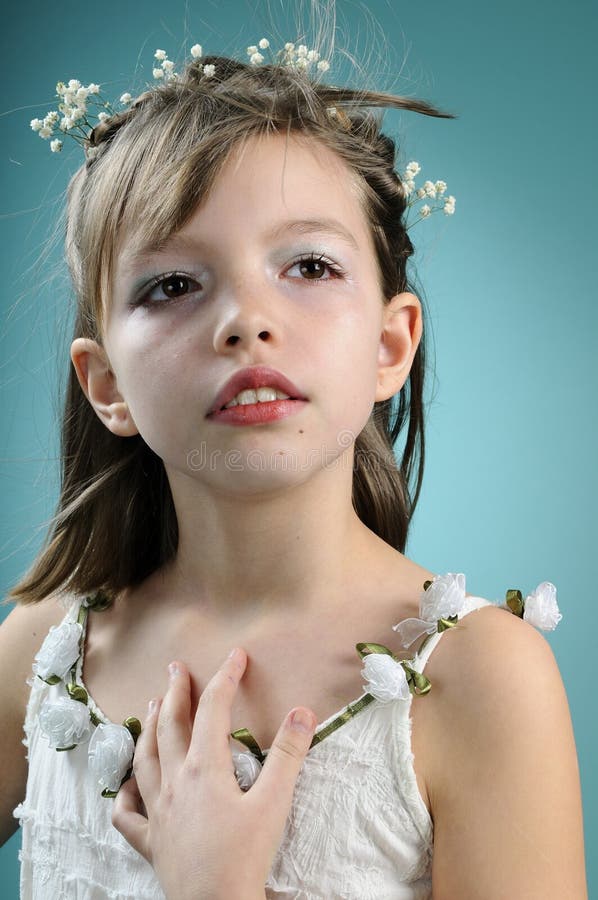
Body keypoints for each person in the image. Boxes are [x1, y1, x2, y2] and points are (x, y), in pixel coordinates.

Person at [0, 33, 587, 900]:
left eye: (309, 266)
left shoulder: (480, 681)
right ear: (108, 385)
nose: (247, 319)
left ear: (389, 345)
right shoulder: (44, 652)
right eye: (172, 285)